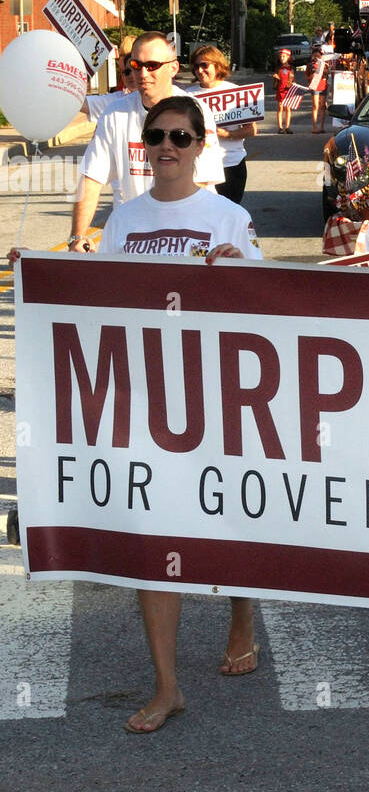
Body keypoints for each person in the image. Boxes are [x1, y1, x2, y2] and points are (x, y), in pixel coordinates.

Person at [90, 95, 264, 733]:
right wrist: (40, 280)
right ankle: (168, 686)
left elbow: (271, 307)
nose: (167, 146)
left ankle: (241, 614)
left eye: (181, 137)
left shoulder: (229, 216)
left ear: (200, 146)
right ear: (144, 144)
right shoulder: (124, 220)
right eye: (157, 135)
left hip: (217, 395)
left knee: (229, 524)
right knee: (155, 538)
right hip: (147, 399)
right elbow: (95, 299)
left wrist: (239, 272)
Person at [68, 32, 224, 252]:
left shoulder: (197, 112)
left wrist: (162, 238)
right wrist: (77, 236)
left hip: (188, 237)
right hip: (131, 237)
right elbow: (92, 178)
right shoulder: (115, 113)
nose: (142, 73)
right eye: (136, 64)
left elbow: (201, 181)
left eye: (152, 65)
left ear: (173, 68)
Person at [189, 45, 257, 205]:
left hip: (231, 163)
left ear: (217, 65)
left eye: (205, 65)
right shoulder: (188, 95)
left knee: (227, 215)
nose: (200, 70)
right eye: (196, 66)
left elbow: (252, 129)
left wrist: (228, 134)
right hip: (198, 166)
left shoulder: (236, 92)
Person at [273, 47, 296, 133]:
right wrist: (276, 77)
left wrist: (294, 84)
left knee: (288, 109)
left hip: (288, 90)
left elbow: (293, 79)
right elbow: (277, 79)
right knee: (280, 108)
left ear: (288, 57)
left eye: (284, 56)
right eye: (281, 56)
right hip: (280, 90)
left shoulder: (291, 68)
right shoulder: (278, 68)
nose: (282, 58)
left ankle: (287, 127)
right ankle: (280, 127)